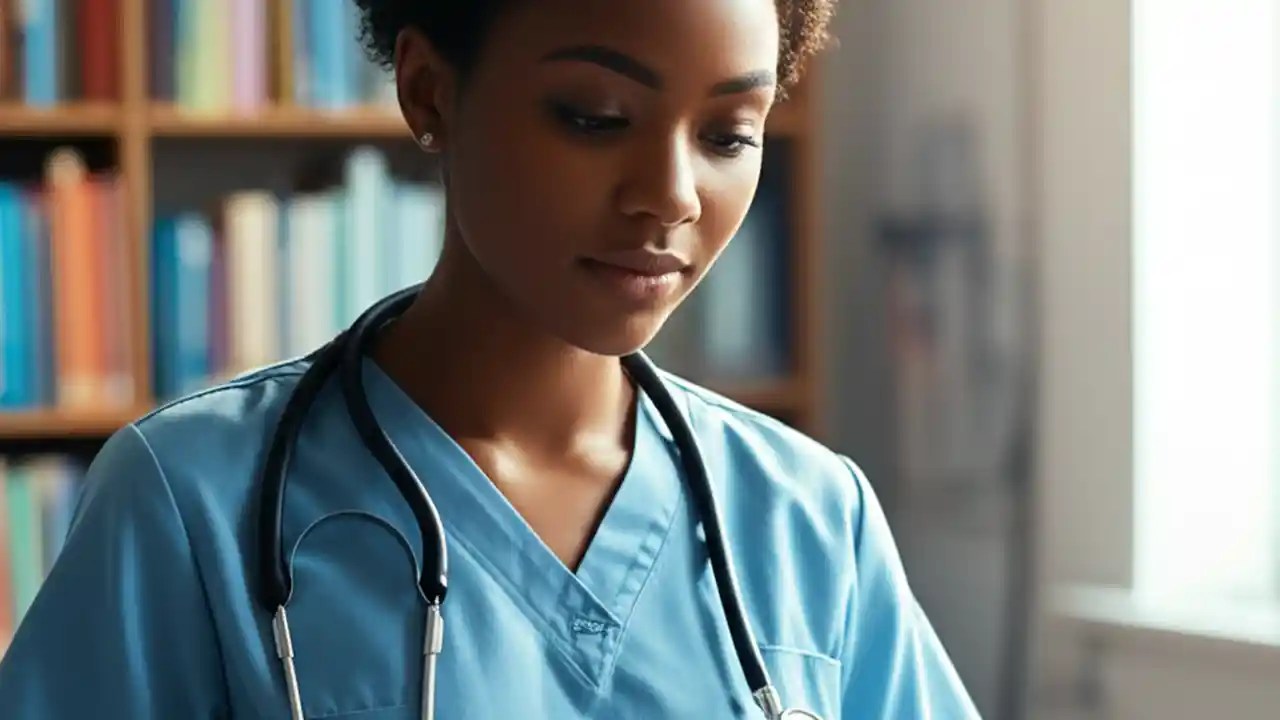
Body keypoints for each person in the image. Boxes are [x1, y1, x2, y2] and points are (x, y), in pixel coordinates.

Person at [0, 0, 979, 717]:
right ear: (430, 91)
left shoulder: (809, 518)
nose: (672, 194)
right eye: (595, 116)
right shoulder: (193, 501)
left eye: (727, 133)